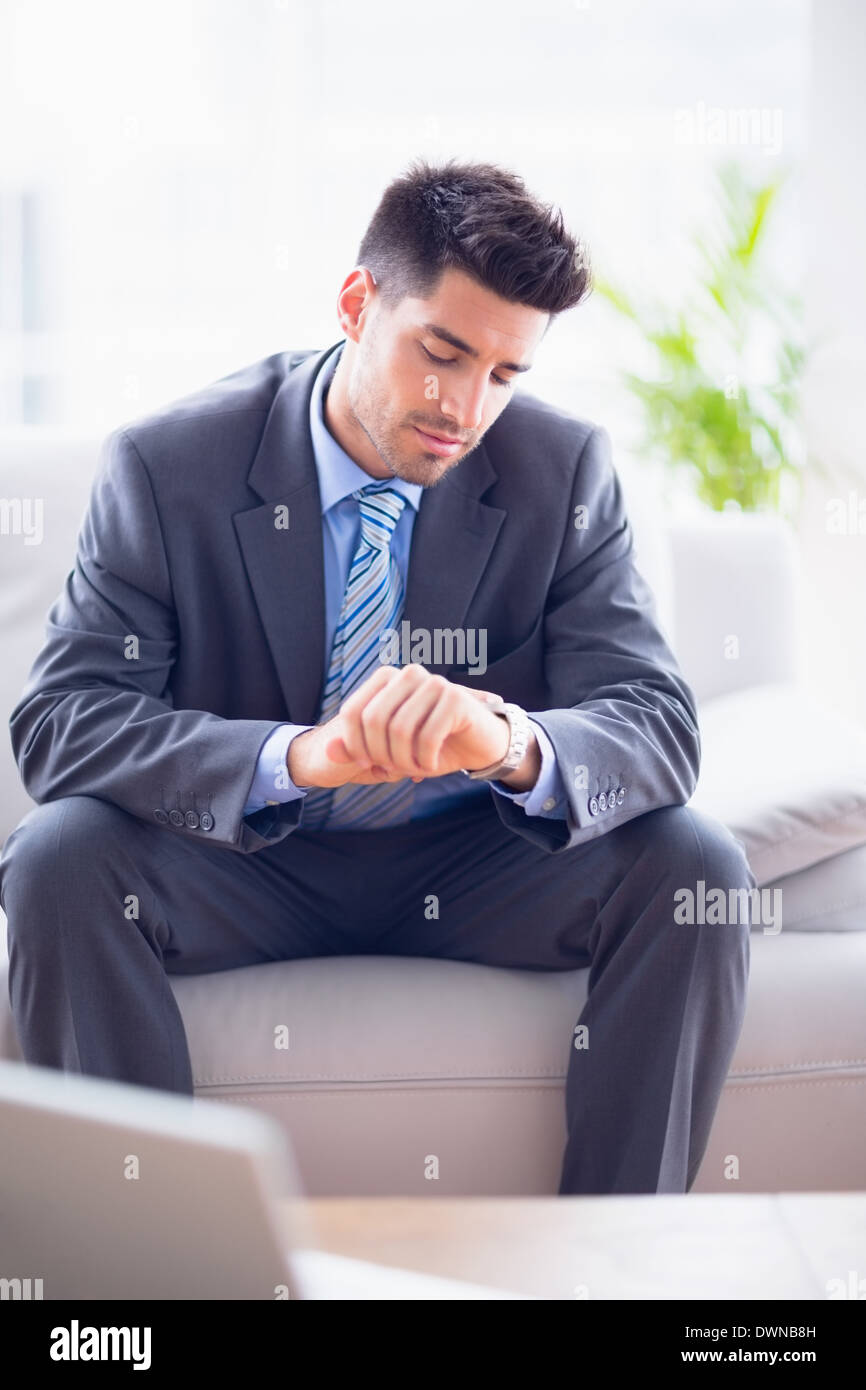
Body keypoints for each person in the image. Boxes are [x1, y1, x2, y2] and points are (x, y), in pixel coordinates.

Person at [0, 158, 753, 1194]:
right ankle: (156, 1269)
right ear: (357, 304)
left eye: (503, 374)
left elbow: (656, 724)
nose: (463, 407)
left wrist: (509, 743)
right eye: (439, 352)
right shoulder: (167, 465)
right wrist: (290, 757)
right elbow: (63, 721)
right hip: (247, 862)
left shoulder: (563, 469)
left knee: (695, 865)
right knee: (58, 857)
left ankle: (609, 1263)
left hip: (477, 860)